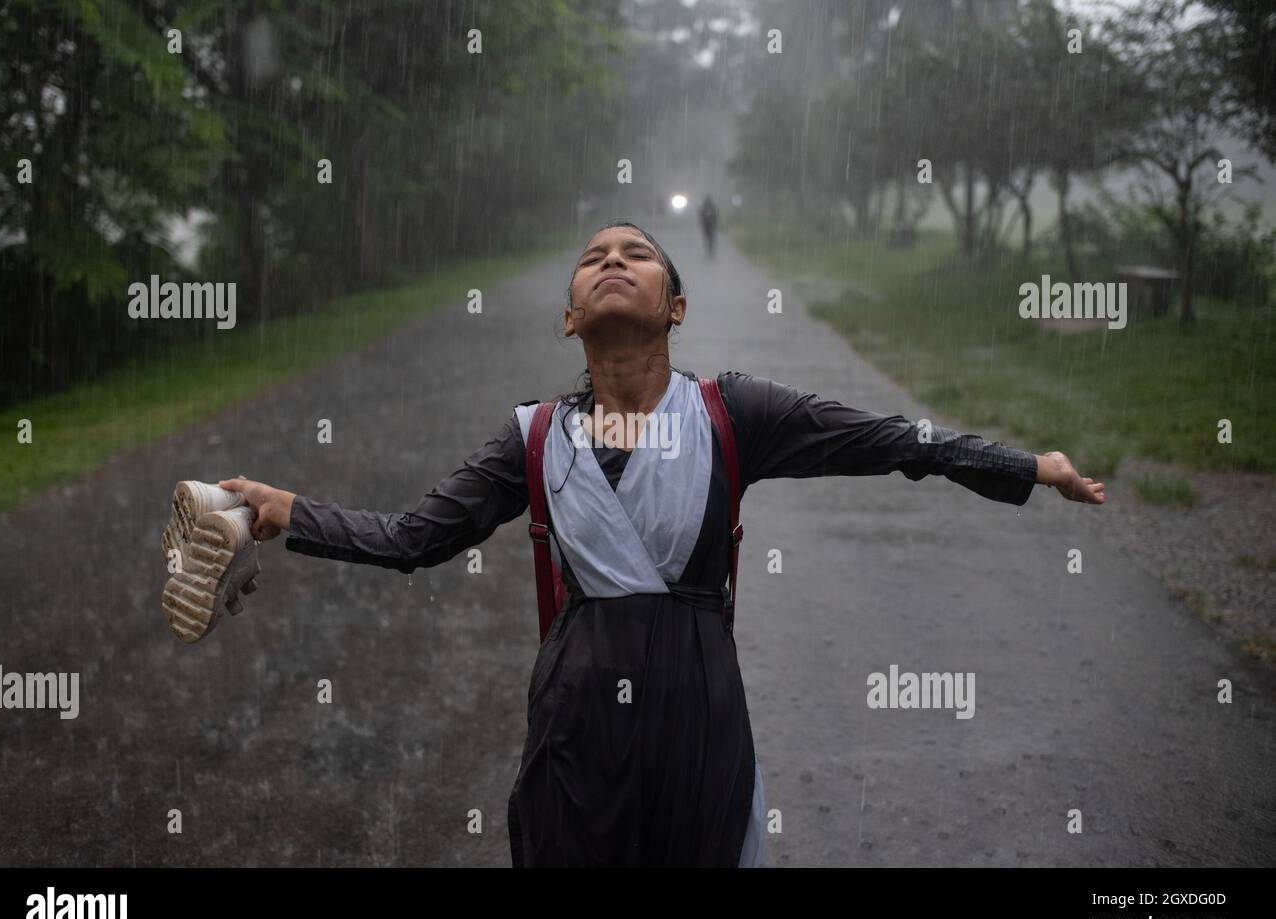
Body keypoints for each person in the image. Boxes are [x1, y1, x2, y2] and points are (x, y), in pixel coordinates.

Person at [219, 220, 1105, 867]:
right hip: (573, 716)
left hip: (699, 711)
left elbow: (890, 441)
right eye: (593, 258)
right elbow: (415, 537)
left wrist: (1027, 464)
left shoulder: (732, 413)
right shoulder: (530, 437)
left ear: (675, 305)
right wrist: (283, 509)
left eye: (635, 254)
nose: (611, 261)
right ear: (569, 318)